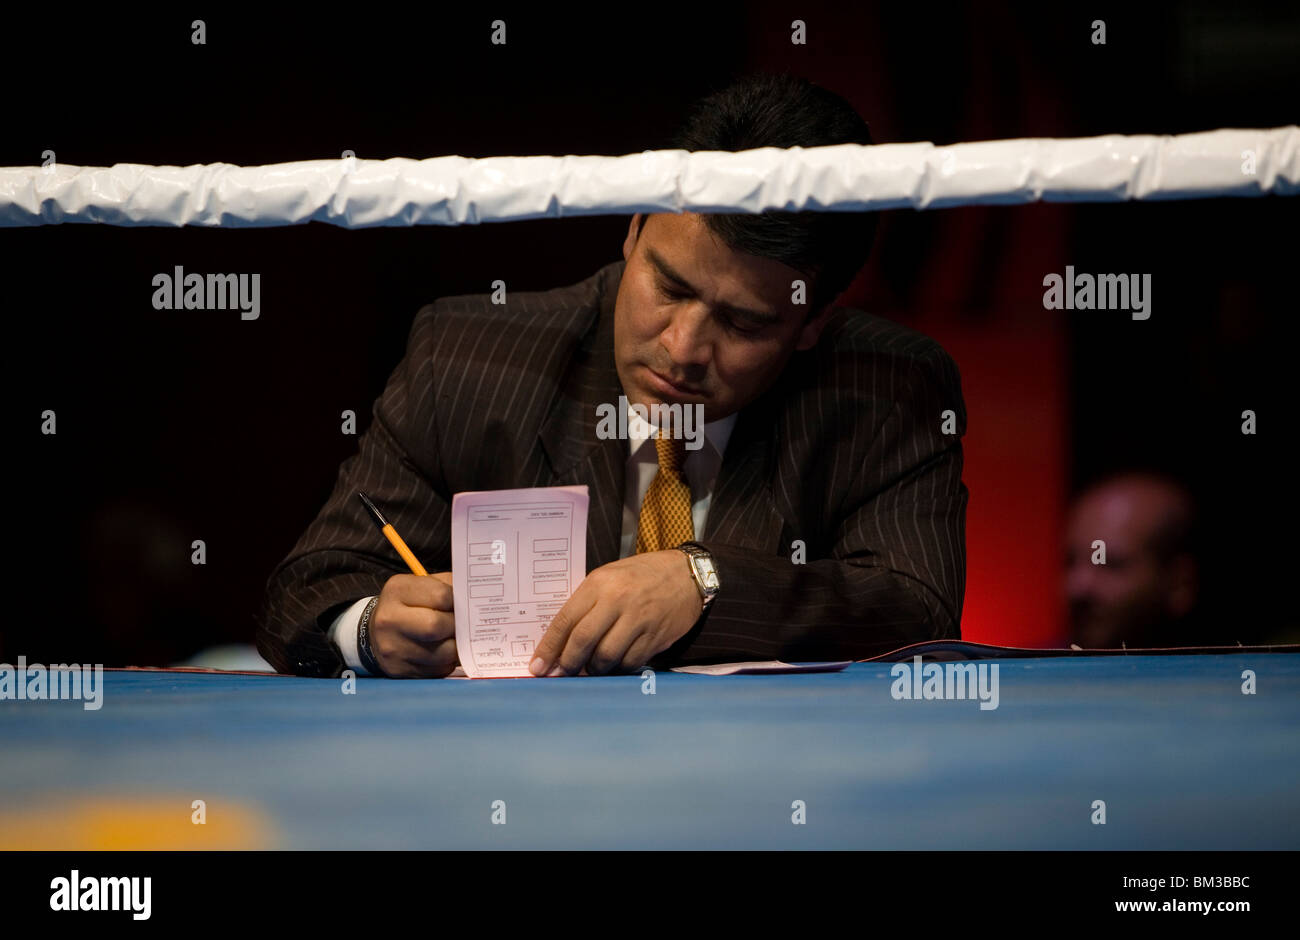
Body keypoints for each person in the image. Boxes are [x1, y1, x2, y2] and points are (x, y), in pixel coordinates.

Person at [257, 72, 969, 678]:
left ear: (813, 321)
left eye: (744, 323)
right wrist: (369, 627)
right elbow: (307, 589)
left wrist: (703, 579)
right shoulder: (471, 357)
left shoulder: (885, 387)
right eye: (669, 285)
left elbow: (916, 609)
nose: (684, 348)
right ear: (633, 231)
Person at [1064, 470, 1200, 649]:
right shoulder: (1031, 671)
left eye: (1110, 564)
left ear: (1179, 583)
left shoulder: (1227, 673)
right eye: (1070, 562)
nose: (1078, 587)